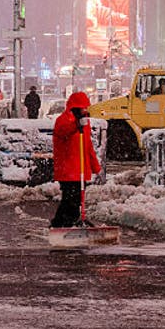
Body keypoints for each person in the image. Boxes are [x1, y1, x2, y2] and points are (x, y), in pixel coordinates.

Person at [50, 91, 100, 228]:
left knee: (76, 200)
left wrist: (95, 166)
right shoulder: (63, 120)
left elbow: (88, 145)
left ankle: (63, 225)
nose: (85, 110)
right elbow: (63, 132)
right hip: (67, 169)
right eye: (83, 107)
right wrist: (76, 126)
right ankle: (62, 225)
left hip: (81, 169)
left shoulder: (85, 124)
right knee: (70, 200)